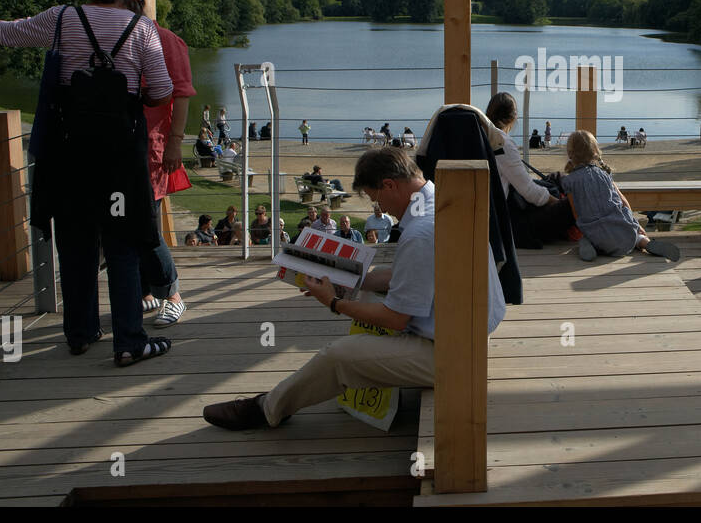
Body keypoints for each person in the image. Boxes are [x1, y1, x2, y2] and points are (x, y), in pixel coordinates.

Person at [0, 0, 173, 367]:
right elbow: (161, 91)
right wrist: (125, 104)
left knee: (75, 241)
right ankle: (129, 341)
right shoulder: (142, 29)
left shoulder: (61, 20)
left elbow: (7, 32)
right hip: (120, 157)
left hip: (69, 153)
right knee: (122, 244)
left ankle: (80, 332)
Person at [202, 147, 507, 431]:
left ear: (390, 185)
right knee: (363, 293)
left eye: (377, 199)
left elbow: (395, 319)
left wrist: (334, 303)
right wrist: (351, 280)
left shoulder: (419, 234)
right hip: (469, 331)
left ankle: (267, 409)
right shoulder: (438, 201)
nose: (381, 208)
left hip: (454, 356)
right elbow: (417, 276)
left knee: (339, 355)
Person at [121, 0, 190, 328]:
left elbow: (181, 95)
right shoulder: (116, 37)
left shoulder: (166, 40)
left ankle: (173, 294)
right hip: (122, 147)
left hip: (153, 149)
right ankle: (146, 290)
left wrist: (176, 142)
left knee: (146, 225)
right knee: (130, 223)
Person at [562, 131, 680, 263]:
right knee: (636, 237)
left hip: (597, 235)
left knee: (587, 237)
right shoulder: (604, 174)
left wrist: (584, 230)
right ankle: (645, 243)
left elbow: (576, 213)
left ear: (570, 153)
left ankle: (589, 245)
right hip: (624, 231)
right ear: (595, 151)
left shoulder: (569, 181)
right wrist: (635, 225)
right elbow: (623, 201)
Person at [484, 92, 573, 246]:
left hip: (495, 209)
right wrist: (558, 202)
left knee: (555, 178)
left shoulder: (482, 136)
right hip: (508, 223)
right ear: (514, 117)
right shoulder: (502, 143)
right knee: (570, 207)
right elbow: (530, 192)